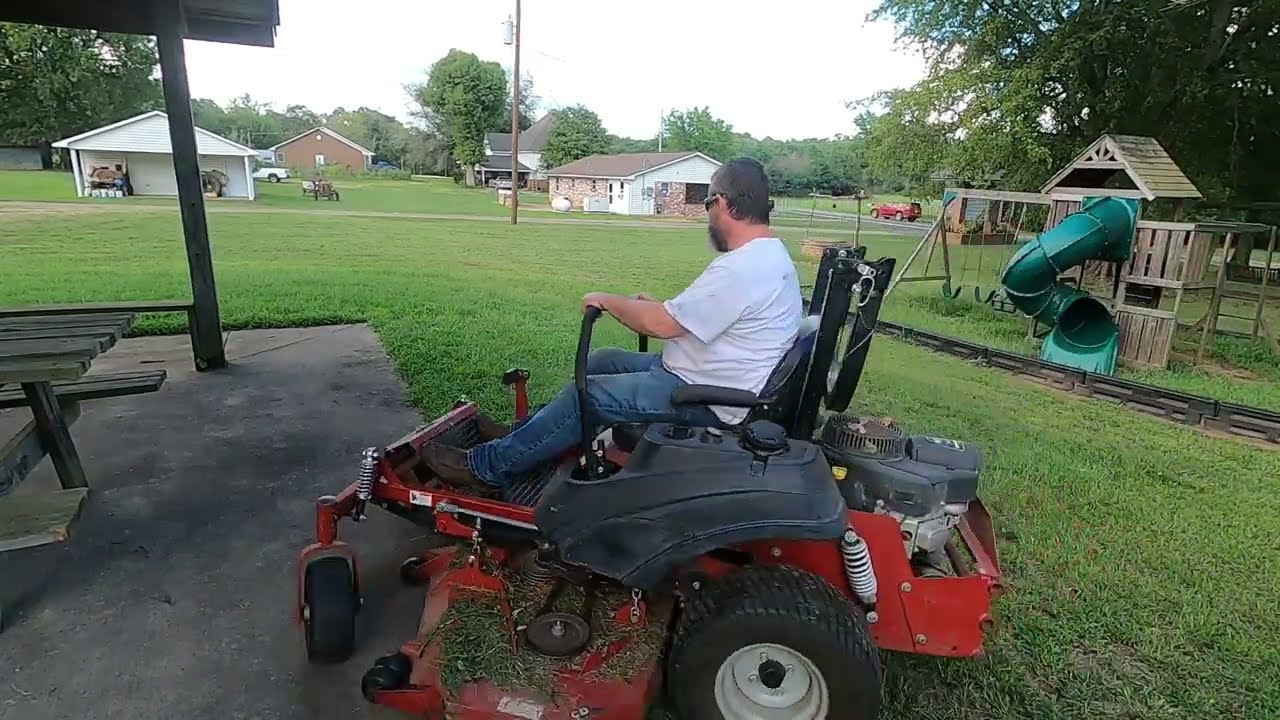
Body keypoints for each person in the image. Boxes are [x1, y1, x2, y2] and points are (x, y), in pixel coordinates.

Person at [420, 157, 802, 491]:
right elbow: (706, 317)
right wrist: (655, 309)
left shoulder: (743, 268)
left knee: (588, 395)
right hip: (703, 376)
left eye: (707, 204)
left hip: (705, 399)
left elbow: (664, 326)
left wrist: (606, 299)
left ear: (722, 203)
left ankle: (486, 468)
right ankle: (522, 437)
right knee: (601, 362)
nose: (708, 215)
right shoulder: (768, 257)